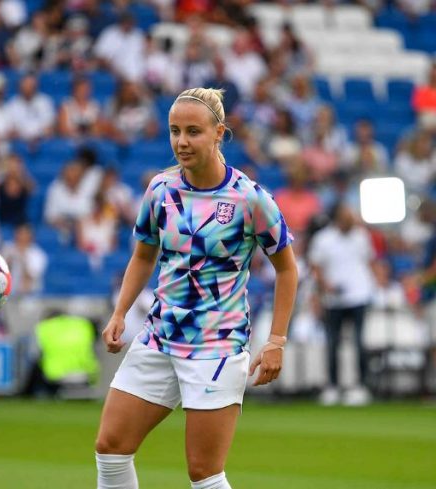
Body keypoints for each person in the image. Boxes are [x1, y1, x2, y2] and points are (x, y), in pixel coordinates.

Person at [95, 87, 298, 489]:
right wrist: (120, 312)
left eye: (193, 131)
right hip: (159, 337)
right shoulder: (160, 189)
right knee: (110, 446)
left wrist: (276, 340)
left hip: (216, 349)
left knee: (204, 472)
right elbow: (143, 255)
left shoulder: (251, 199)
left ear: (219, 133)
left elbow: (287, 270)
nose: (182, 142)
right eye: (175, 131)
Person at [308, 202, 376, 406]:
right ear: (337, 218)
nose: (351, 220)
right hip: (334, 299)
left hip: (359, 295)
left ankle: (361, 386)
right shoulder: (323, 239)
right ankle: (333, 386)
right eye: (347, 217)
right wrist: (325, 286)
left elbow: (368, 262)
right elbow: (316, 266)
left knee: (359, 343)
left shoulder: (361, 236)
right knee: (332, 343)